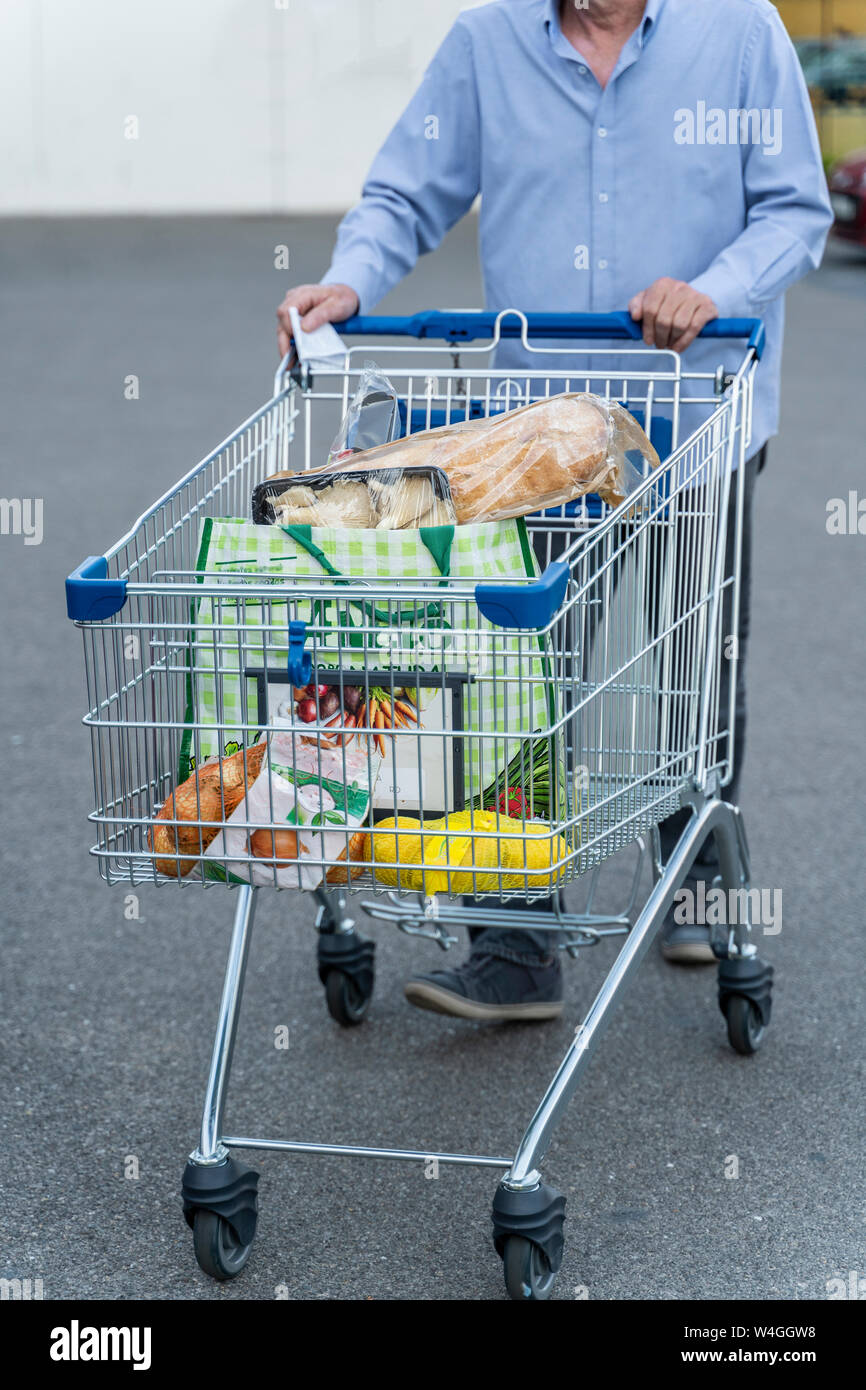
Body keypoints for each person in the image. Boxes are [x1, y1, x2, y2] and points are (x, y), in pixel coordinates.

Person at [277, 0, 832, 1020]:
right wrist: (349, 280)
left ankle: (694, 879)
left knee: (688, 674)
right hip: (537, 446)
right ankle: (518, 945)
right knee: (517, 685)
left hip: (693, 423)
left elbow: (794, 212)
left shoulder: (739, 31)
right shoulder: (486, 43)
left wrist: (712, 288)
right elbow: (406, 191)